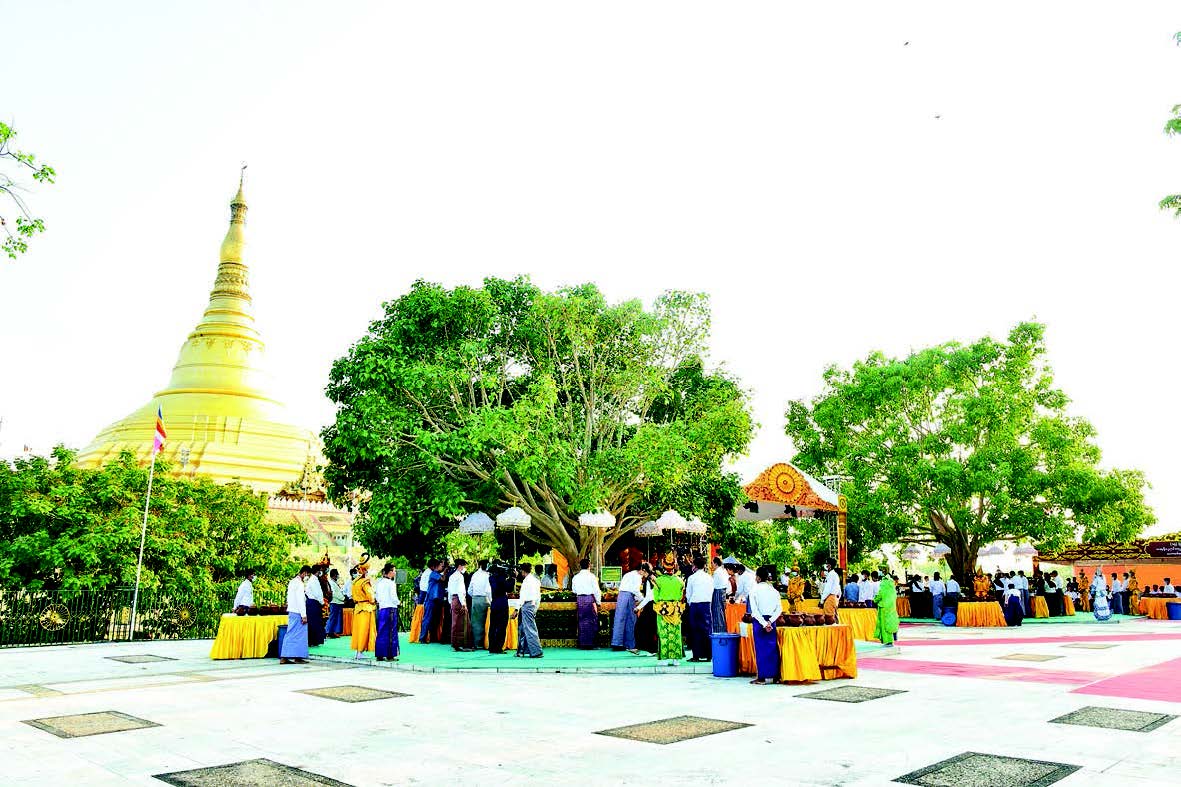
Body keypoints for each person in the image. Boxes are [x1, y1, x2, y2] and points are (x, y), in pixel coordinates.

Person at [749, 565, 783, 684]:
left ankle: (762, 677)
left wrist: (764, 623)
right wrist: (770, 622)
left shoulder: (754, 590)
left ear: (758, 577)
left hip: (760, 621)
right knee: (772, 648)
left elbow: (754, 611)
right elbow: (779, 609)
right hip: (771, 621)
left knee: (760, 648)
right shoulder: (774, 591)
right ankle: (776, 676)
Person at [652, 555, 686, 666]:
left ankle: (665, 658)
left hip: (663, 609)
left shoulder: (658, 581)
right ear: (674, 566)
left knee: (664, 633)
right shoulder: (680, 581)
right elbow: (682, 596)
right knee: (676, 633)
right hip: (676, 609)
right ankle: (676, 659)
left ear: (663, 565)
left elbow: (655, 598)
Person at [280, 565, 312, 664]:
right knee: (296, 635)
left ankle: (296, 656)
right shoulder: (299, 584)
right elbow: (300, 600)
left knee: (294, 634)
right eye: (308, 575)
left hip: (292, 611)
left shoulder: (292, 582)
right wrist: (304, 615)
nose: (307, 577)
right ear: (305, 573)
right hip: (298, 612)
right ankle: (286, 656)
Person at [685, 555, 713, 662]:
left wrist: (690, 603)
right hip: (706, 604)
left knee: (695, 630)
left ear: (695, 566)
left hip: (695, 605)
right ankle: (709, 655)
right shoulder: (709, 577)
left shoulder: (691, 578)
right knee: (707, 629)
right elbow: (711, 591)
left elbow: (688, 594)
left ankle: (696, 655)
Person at [571, 558, 602, 650]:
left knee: (581, 621)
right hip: (589, 599)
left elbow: (574, 590)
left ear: (580, 566)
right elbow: (596, 590)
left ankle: (582, 643)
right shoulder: (592, 576)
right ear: (589, 566)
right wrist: (599, 602)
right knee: (592, 621)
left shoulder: (576, 577)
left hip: (580, 599)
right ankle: (591, 644)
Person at [514, 562, 543, 658]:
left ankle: (536, 651)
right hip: (533, 605)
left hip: (527, 605)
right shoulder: (535, 580)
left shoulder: (526, 582)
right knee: (524, 628)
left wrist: (516, 609)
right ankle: (522, 650)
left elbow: (522, 597)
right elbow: (538, 596)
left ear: (522, 571)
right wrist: (536, 607)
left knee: (529, 629)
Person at [350, 556, 377, 659]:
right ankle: (360, 652)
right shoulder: (365, 582)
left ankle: (358, 651)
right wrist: (374, 600)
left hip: (358, 607)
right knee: (364, 630)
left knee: (358, 630)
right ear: (365, 570)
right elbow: (371, 596)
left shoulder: (355, 582)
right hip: (366, 607)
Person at [613, 562, 643, 652]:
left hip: (621, 595)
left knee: (619, 619)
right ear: (641, 570)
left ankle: (617, 643)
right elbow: (635, 590)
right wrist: (642, 599)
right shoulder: (638, 577)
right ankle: (629, 644)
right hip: (629, 596)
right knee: (630, 620)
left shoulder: (628, 574)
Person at [374, 562, 400, 661]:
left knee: (381, 630)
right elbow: (394, 597)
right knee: (391, 632)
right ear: (389, 572)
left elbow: (377, 596)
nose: (395, 573)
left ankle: (380, 654)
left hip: (382, 608)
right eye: (394, 571)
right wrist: (398, 602)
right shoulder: (391, 583)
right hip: (391, 608)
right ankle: (390, 654)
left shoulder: (379, 583)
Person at [448, 558, 472, 651]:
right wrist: (463, 604)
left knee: (455, 622)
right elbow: (460, 591)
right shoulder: (460, 576)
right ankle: (462, 644)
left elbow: (450, 592)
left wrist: (450, 602)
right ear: (460, 566)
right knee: (463, 623)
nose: (464, 567)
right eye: (464, 565)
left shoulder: (452, 576)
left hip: (454, 599)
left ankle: (455, 643)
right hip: (459, 600)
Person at [468, 559, 492, 650]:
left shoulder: (474, 575)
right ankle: (485, 643)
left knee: (476, 622)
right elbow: (488, 590)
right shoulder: (488, 576)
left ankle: (476, 643)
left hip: (475, 599)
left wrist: (474, 597)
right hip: (485, 598)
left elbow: (469, 590)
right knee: (486, 622)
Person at [487, 563, 511, 653]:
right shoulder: (501, 579)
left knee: (493, 626)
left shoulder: (491, 578)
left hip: (494, 604)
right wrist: (512, 578)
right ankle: (498, 647)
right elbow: (509, 588)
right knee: (501, 626)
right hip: (502, 604)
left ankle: (492, 646)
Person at [635, 562, 657, 653]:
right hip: (654, 605)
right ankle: (647, 648)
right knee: (650, 627)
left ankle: (649, 648)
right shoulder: (653, 577)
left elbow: (648, 597)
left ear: (644, 570)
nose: (639, 572)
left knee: (641, 626)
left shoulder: (649, 580)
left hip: (650, 605)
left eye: (640, 570)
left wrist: (638, 607)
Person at [873, 569, 900, 646]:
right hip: (891, 607)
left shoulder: (884, 584)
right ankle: (892, 639)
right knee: (891, 622)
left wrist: (875, 600)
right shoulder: (892, 586)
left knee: (884, 624)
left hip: (883, 607)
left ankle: (887, 640)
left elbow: (880, 595)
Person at [421, 559, 444, 644]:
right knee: (427, 618)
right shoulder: (433, 574)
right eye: (441, 566)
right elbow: (442, 579)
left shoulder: (436, 573)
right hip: (431, 599)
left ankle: (432, 637)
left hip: (436, 599)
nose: (442, 567)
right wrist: (445, 571)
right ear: (435, 566)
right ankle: (423, 637)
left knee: (434, 620)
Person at [305, 565, 326, 647]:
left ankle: (313, 640)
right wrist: (322, 602)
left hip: (312, 603)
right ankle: (313, 641)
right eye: (320, 570)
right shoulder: (314, 580)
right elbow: (317, 593)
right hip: (314, 603)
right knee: (314, 622)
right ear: (317, 571)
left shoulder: (314, 579)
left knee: (313, 622)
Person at [711, 556, 730, 633]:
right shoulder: (724, 571)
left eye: (712, 563)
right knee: (721, 612)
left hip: (717, 592)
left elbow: (713, 585)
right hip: (723, 592)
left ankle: (718, 631)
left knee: (717, 613)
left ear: (715, 563)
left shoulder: (717, 572)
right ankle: (722, 630)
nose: (711, 565)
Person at [325, 569, 346, 639]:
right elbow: (334, 594)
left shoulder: (334, 582)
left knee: (335, 618)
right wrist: (343, 598)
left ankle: (332, 632)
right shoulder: (331, 583)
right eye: (337, 574)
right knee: (333, 618)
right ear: (334, 575)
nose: (337, 576)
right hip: (334, 602)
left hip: (338, 602)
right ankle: (329, 632)